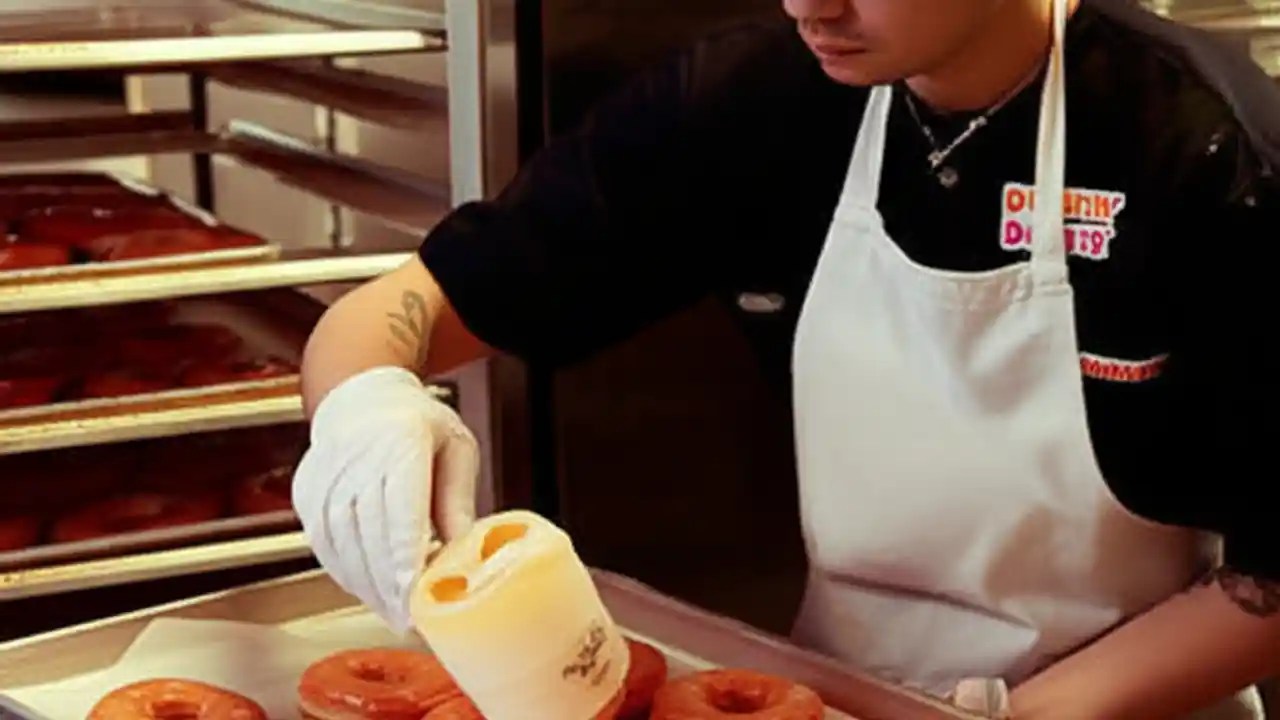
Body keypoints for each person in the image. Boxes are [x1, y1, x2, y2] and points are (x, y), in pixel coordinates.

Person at [291, 0, 1280, 716]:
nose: (810, 3)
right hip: (833, 690)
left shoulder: (1200, 142)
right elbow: (407, 307)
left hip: (1140, 699)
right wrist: (365, 403)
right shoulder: (753, 101)